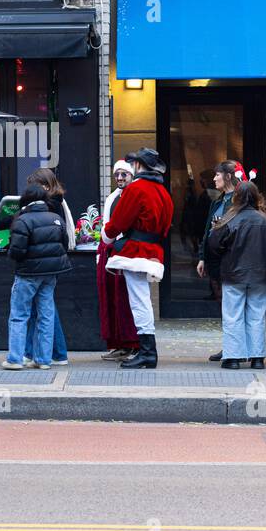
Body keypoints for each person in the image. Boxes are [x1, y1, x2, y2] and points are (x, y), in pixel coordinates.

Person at [101, 147, 174, 370]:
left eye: (134, 163)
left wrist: (107, 236)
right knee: (143, 300)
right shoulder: (163, 191)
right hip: (152, 250)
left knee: (139, 301)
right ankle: (147, 352)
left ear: (140, 166)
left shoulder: (137, 189)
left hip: (135, 251)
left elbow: (118, 223)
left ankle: (147, 353)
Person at [2, 184, 71, 370]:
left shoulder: (23, 220)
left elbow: (17, 250)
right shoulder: (56, 218)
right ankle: (43, 360)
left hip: (27, 274)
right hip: (50, 275)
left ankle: (15, 359)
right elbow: (64, 244)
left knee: (19, 315)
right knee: (46, 315)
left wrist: (11, 254)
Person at [213, 181, 266, 369]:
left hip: (234, 274)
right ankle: (257, 358)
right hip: (261, 275)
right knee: (257, 315)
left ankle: (233, 358)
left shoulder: (229, 219)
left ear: (236, 197)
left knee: (233, 315)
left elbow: (215, 245)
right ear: (257, 197)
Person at [23, 168, 76, 366]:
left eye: (34, 186)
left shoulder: (49, 205)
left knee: (42, 309)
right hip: (51, 261)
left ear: (45, 186)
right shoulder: (58, 203)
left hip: (43, 261)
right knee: (43, 308)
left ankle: (43, 353)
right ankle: (55, 353)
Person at [98, 160, 139, 361]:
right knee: (114, 300)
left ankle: (133, 344)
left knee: (128, 300)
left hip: (128, 251)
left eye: (125, 174)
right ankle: (120, 343)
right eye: (117, 175)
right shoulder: (112, 197)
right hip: (112, 250)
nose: (121, 178)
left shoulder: (134, 195)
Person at [197, 161, 240, 322]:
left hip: (230, 260)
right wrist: (202, 257)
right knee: (222, 303)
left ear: (228, 176)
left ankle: (234, 346)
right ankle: (230, 344)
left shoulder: (238, 202)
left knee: (232, 306)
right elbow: (208, 230)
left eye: (217, 175)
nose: (214, 179)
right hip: (215, 259)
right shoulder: (217, 201)